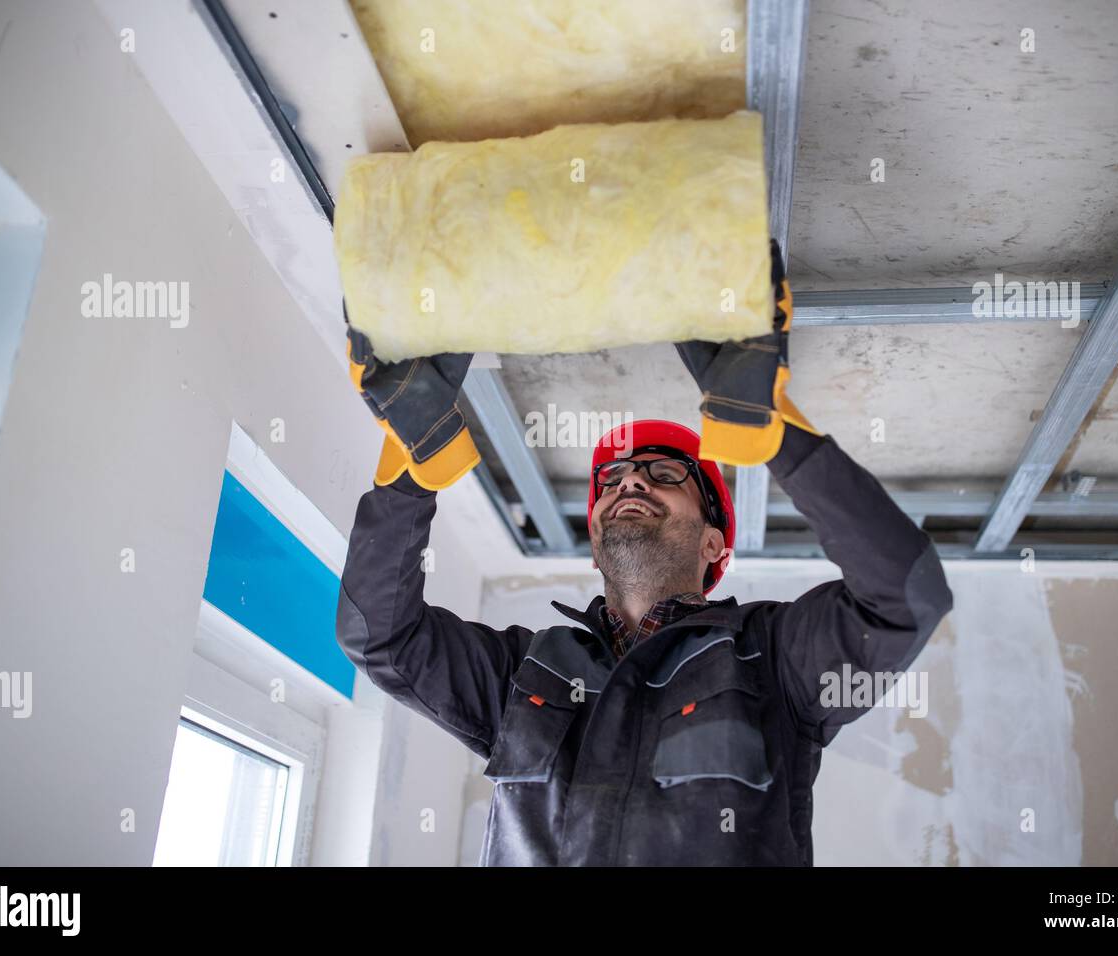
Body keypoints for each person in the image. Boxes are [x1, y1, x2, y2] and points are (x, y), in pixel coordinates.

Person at [336, 243, 953, 865]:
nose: (629, 482)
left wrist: (778, 434)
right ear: (597, 545)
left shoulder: (773, 661)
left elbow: (906, 598)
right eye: (613, 481)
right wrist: (411, 470)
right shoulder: (527, 671)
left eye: (664, 474)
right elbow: (383, 639)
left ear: (714, 543)